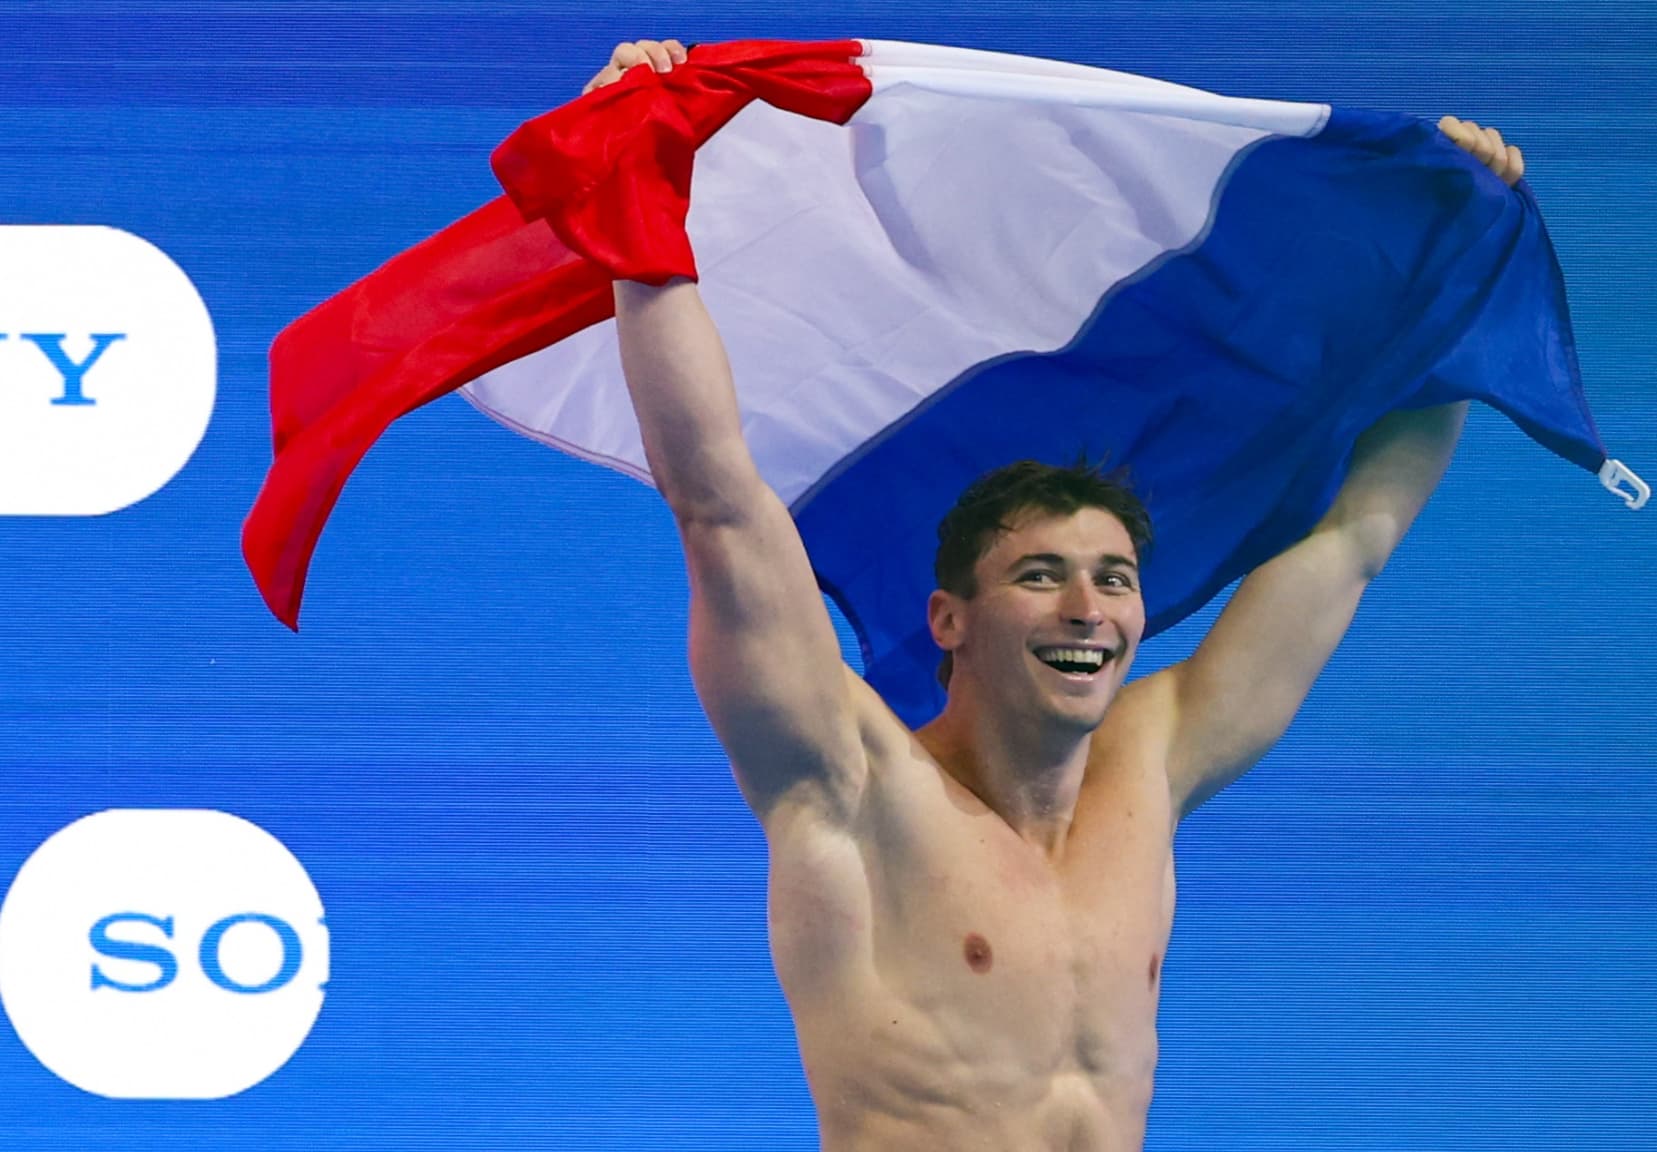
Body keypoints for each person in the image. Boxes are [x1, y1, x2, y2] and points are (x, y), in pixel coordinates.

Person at [590, 37, 1525, 1152]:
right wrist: (636, 185)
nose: (1089, 607)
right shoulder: (852, 786)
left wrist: (1463, 267)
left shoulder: (1152, 763)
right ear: (948, 620)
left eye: (1114, 579)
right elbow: (716, 501)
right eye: (1040, 576)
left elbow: (1351, 540)